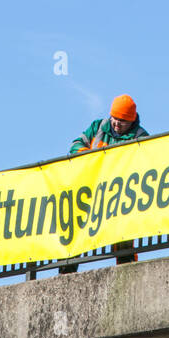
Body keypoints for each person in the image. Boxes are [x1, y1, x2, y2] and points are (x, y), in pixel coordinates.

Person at [61, 95, 149, 273]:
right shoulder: (99, 126)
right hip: (93, 190)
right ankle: (67, 268)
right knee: (78, 227)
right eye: (115, 118)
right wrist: (92, 157)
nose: (117, 124)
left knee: (123, 233)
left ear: (131, 121)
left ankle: (126, 268)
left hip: (122, 194)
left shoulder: (141, 136)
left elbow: (145, 164)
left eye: (122, 121)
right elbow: (75, 145)